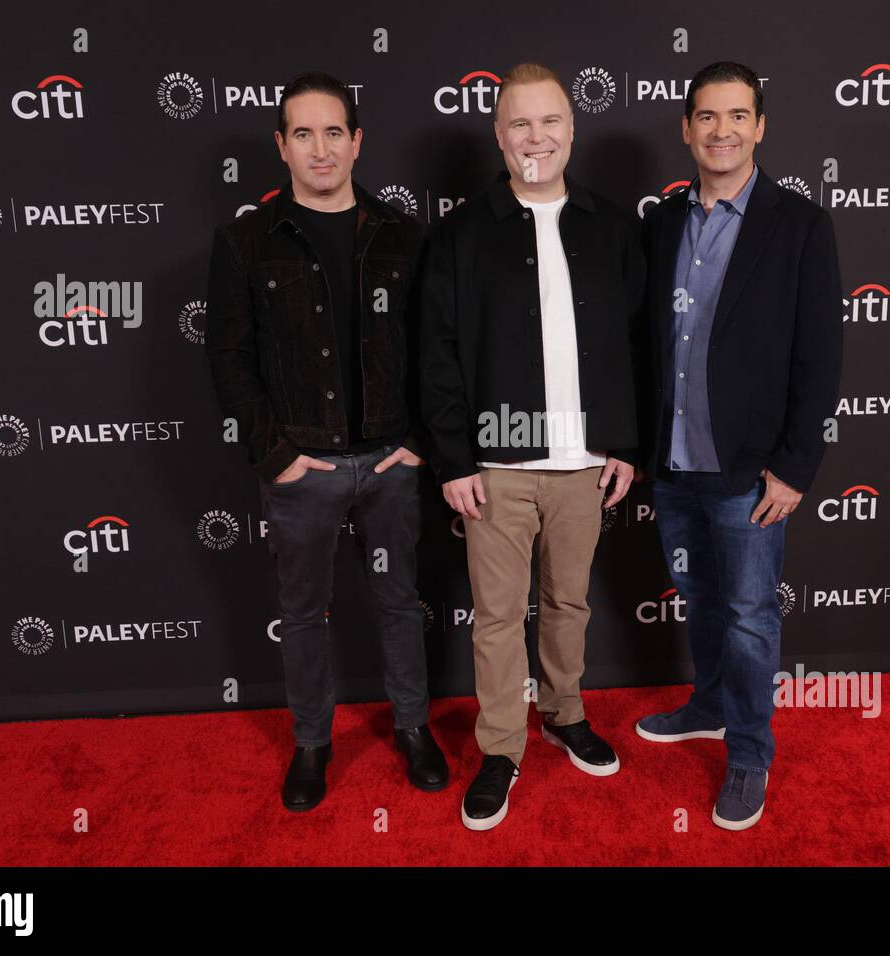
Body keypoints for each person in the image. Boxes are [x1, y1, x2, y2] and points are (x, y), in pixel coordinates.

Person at [205, 71, 447, 812]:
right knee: (302, 612)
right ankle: (312, 742)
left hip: (390, 461)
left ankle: (413, 728)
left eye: (333, 132)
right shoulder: (244, 241)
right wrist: (275, 454)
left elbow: (433, 346)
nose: (320, 148)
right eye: (303, 133)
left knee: (401, 604)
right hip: (300, 466)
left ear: (357, 141)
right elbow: (228, 357)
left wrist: (418, 441)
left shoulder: (404, 236)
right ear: (281, 145)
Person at [419, 62, 646, 831]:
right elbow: (438, 352)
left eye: (549, 122)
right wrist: (453, 461)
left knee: (569, 603)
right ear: (498, 134)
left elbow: (632, 345)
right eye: (519, 123)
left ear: (571, 130)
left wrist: (623, 443)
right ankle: (499, 750)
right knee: (494, 615)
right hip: (496, 466)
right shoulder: (460, 232)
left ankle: (566, 714)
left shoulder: (611, 225)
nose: (535, 138)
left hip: (584, 464)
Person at [634, 61, 843, 830]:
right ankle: (711, 706)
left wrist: (795, 467)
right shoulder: (660, 222)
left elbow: (820, 357)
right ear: (686, 128)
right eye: (707, 117)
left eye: (738, 116)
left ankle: (750, 753)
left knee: (752, 617)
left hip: (751, 472)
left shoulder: (799, 225)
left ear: (760, 126)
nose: (722, 131)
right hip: (673, 463)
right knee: (701, 602)